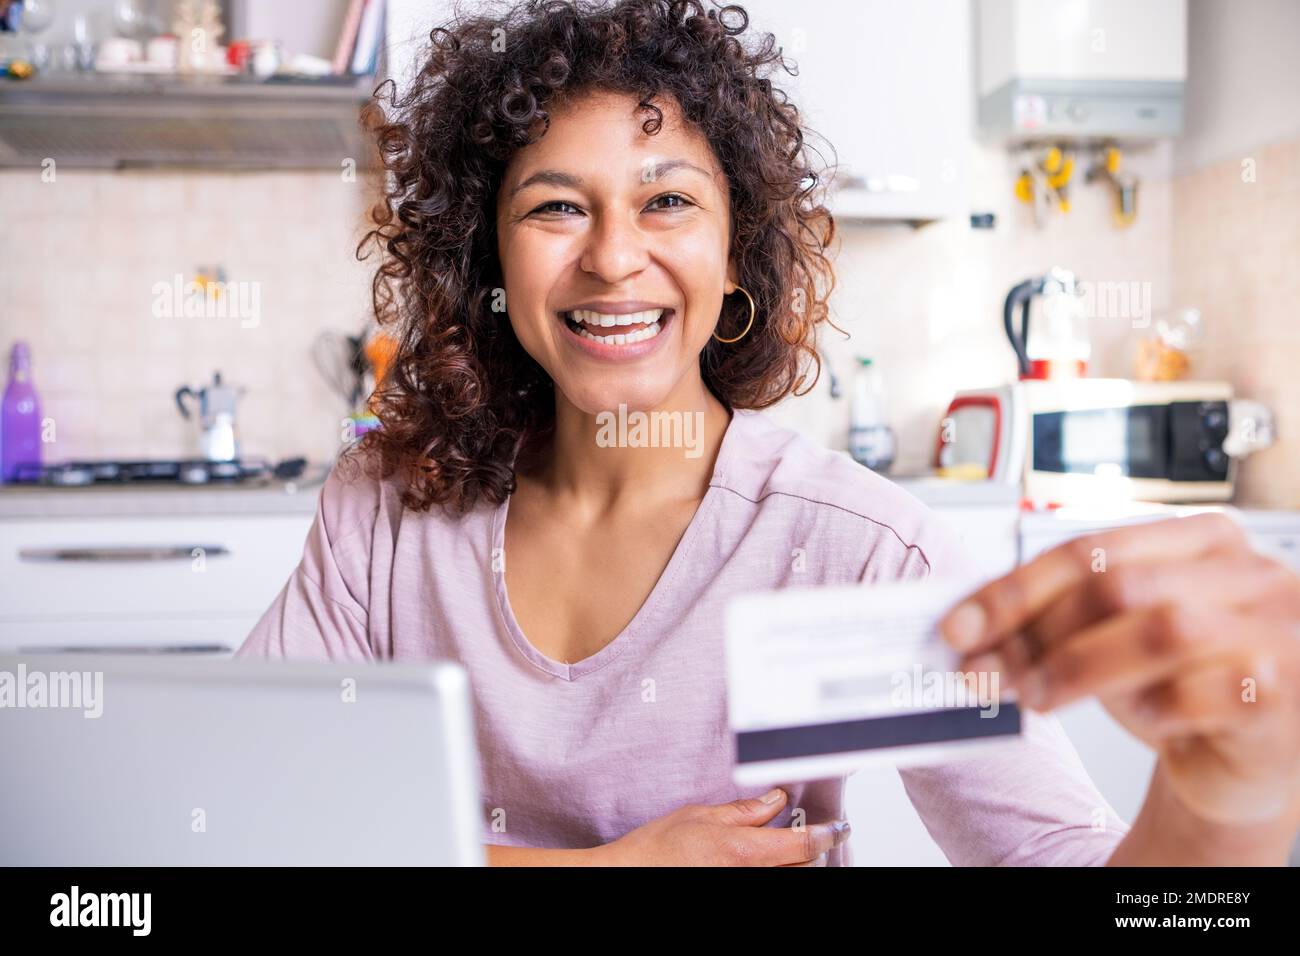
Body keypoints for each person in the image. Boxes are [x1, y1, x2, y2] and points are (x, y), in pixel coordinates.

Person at [237, 0, 1300, 866]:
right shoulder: (387, 503)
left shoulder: (858, 548)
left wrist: (1229, 799)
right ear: (487, 263)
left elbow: (1062, 861)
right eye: (556, 207)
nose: (612, 258)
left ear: (737, 251)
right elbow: (252, 808)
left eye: (667, 202)